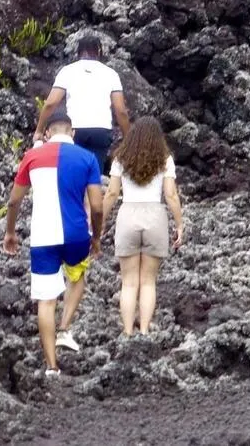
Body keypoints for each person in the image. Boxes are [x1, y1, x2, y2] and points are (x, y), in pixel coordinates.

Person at [3, 110, 104, 376]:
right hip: (76, 236)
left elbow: (14, 201)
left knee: (45, 302)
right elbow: (96, 205)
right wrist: (96, 236)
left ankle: (51, 367)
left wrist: (10, 232)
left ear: (47, 133)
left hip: (42, 238)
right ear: (72, 133)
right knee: (77, 276)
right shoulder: (87, 158)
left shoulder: (31, 157)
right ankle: (64, 328)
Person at [102, 116, 184, 337]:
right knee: (148, 282)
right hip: (155, 217)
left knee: (128, 283)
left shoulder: (121, 158)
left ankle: (128, 332)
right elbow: (171, 195)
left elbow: (111, 193)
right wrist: (179, 224)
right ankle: (145, 330)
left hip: (127, 215)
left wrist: (99, 222)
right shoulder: (165, 159)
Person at [32, 35, 130, 177]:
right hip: (101, 131)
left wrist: (39, 130)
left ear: (78, 52)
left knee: (73, 175)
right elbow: (121, 111)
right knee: (93, 176)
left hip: (74, 130)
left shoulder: (67, 71)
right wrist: (128, 138)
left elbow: (51, 104)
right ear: (99, 51)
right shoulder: (111, 74)